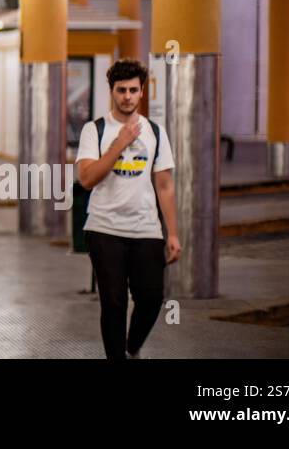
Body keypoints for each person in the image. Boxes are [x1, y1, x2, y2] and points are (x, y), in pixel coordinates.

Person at [76, 58, 180, 360]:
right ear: (112, 91)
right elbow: (87, 179)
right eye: (121, 90)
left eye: (133, 90)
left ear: (142, 91)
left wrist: (172, 233)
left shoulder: (156, 133)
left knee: (151, 298)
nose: (127, 96)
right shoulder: (93, 131)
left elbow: (164, 185)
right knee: (113, 302)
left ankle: (131, 346)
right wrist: (119, 144)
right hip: (103, 228)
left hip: (146, 228)